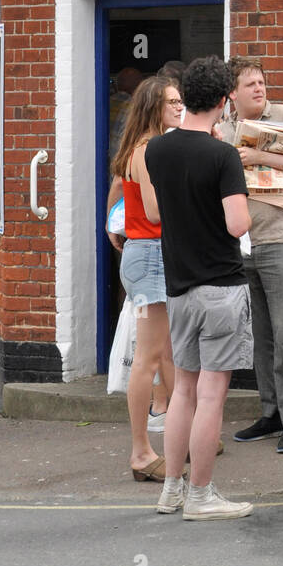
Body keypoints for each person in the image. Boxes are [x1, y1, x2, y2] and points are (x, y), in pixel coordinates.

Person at [145, 56, 255, 520]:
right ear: (226, 100)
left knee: (182, 394)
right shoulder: (223, 154)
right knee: (211, 396)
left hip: (179, 286)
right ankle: (203, 495)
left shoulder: (157, 150)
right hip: (221, 287)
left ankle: (172, 489)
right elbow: (237, 224)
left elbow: (159, 213)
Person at [218, 58, 283, 452]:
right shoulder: (222, 131)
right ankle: (271, 412)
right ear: (232, 95)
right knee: (261, 337)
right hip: (243, 245)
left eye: (261, 82)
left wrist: (263, 159)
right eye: (250, 84)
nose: (259, 89)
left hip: (282, 240)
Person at [111, 77, 183, 482]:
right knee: (150, 358)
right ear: (154, 106)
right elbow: (156, 212)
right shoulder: (148, 150)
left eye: (180, 101)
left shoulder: (142, 147)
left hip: (151, 255)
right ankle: (140, 452)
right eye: (171, 101)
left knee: (169, 353)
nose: (179, 107)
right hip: (151, 256)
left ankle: (182, 434)